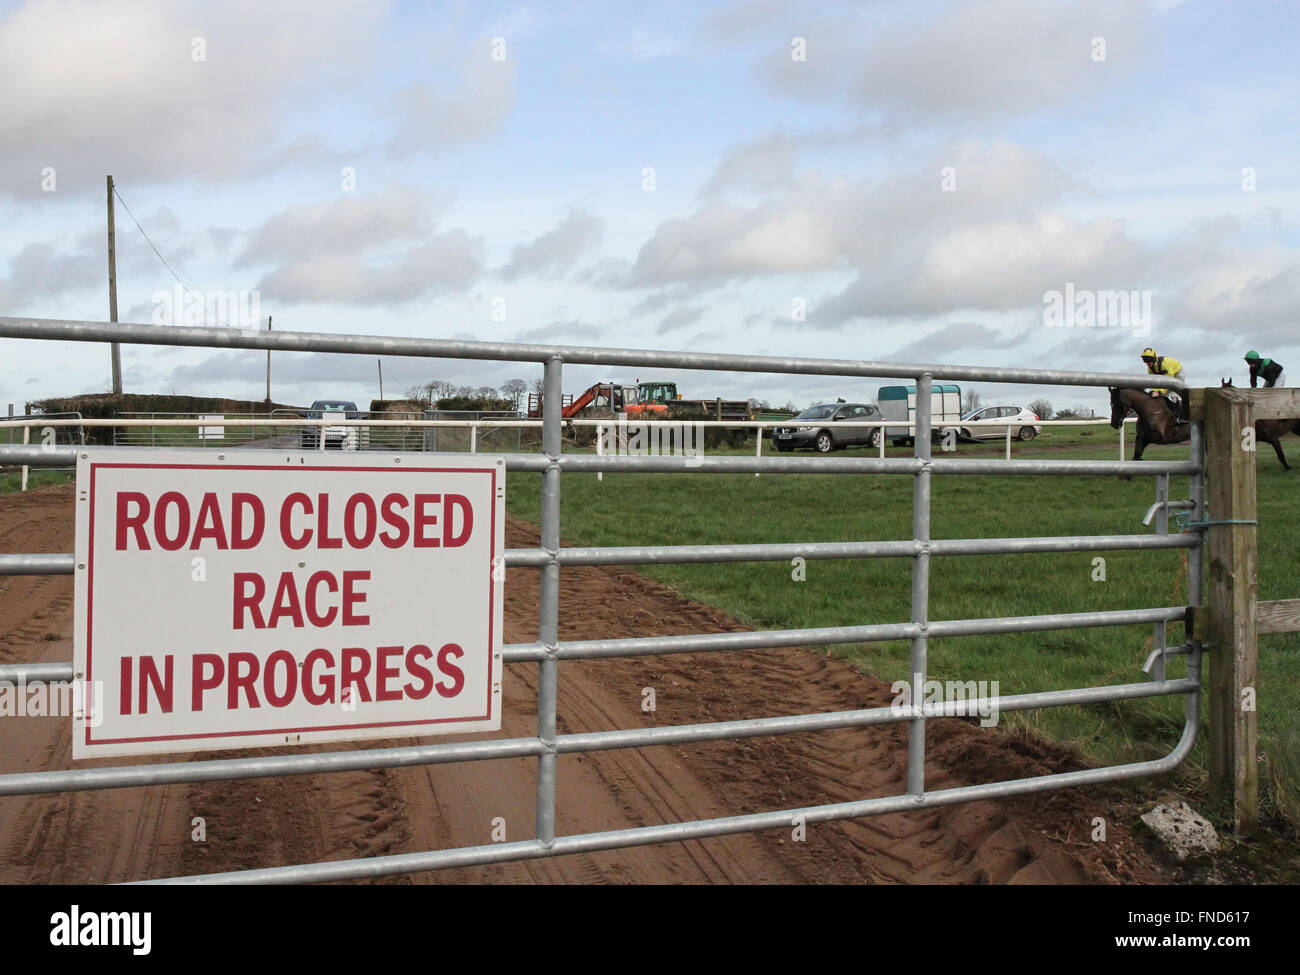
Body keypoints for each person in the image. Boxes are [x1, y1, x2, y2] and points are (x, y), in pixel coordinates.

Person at [1140, 347, 1188, 420]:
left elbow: (1169, 383)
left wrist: (1158, 391)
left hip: (1177, 375)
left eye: (1148, 360)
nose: (1147, 363)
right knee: (1162, 396)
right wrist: (1154, 391)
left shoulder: (1165, 364)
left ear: (1153, 359)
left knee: (1174, 396)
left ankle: (1182, 418)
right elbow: (1154, 382)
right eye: (1145, 360)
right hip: (1166, 378)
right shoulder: (1149, 369)